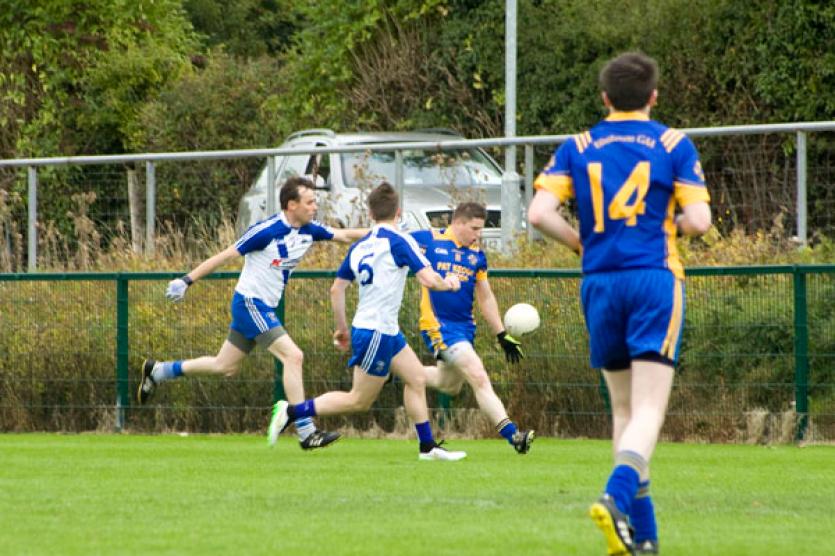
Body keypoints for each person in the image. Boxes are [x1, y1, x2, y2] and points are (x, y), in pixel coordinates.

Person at [528, 52, 711, 555]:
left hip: (600, 282)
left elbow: (539, 213)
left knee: (624, 412)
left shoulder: (578, 146)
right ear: (653, 96)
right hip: (653, 279)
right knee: (650, 409)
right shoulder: (672, 143)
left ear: (605, 98)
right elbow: (699, 221)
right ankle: (615, 496)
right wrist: (664, 227)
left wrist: (579, 243)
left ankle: (643, 538)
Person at [137, 176, 368, 451]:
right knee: (293, 356)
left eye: (314, 202)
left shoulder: (310, 229)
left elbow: (344, 236)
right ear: (291, 205)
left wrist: (383, 232)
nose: (314, 206)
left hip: (260, 307)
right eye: (309, 202)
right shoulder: (265, 231)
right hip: (250, 304)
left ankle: (159, 371)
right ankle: (306, 432)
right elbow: (224, 256)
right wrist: (187, 280)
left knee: (224, 366)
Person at [267, 182, 467, 461]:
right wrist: (450, 283)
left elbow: (337, 289)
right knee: (358, 400)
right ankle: (292, 411)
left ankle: (427, 447)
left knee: (417, 378)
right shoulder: (400, 241)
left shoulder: (361, 246)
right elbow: (429, 279)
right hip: (376, 332)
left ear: (370, 214)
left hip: (384, 330)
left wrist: (342, 328)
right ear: (399, 212)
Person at [410, 202, 534, 454]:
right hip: (439, 326)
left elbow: (485, 297)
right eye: (474, 228)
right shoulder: (428, 241)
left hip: (464, 329)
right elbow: (388, 238)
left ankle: (404, 371)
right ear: (458, 223)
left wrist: (501, 334)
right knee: (478, 375)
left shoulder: (476, 255)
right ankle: (513, 435)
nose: (478, 235)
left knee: (449, 384)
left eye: (481, 229)